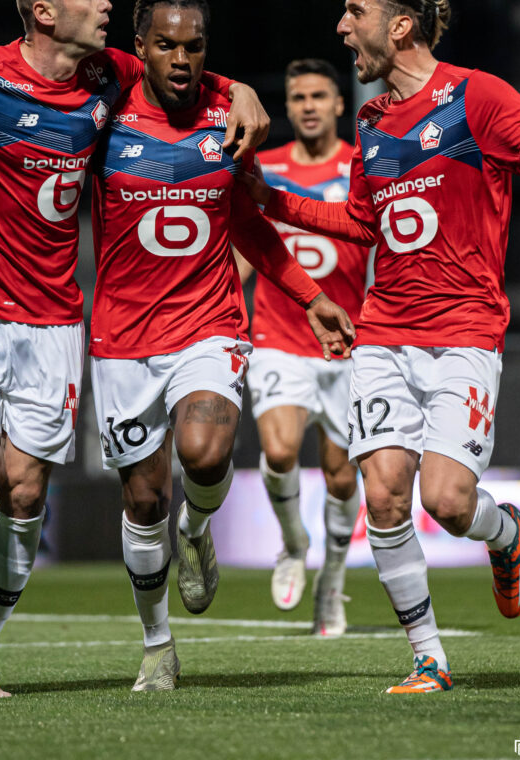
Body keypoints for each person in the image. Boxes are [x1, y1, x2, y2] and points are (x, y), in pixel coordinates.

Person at [240, 0, 520, 693]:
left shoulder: (476, 97)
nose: (341, 27)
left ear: (398, 25)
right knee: (384, 496)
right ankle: (427, 658)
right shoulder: (372, 124)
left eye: (353, 13)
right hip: (383, 335)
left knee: (447, 501)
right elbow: (361, 223)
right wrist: (270, 199)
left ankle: (504, 535)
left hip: (464, 333)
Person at [0, 0, 269, 699]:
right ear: (45, 14)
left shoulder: (104, 77)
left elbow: (193, 69)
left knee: (23, 496)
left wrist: (243, 89)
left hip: (50, 321)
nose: (105, 2)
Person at [86, 0, 354, 691]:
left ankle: (197, 532)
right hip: (121, 335)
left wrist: (311, 296)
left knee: (204, 454)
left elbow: (249, 224)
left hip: (207, 323)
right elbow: (35, 173)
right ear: (138, 48)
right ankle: (157, 645)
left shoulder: (230, 122)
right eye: (166, 44)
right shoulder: (103, 118)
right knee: (144, 501)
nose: (181, 57)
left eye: (194, 45)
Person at [234, 58, 370, 636]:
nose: (309, 105)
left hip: (350, 343)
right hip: (279, 335)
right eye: (298, 98)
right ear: (286, 108)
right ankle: (293, 543)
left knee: (342, 477)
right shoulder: (266, 167)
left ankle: (331, 586)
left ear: (340, 105)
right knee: (282, 449)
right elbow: (246, 246)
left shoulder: (363, 166)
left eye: (320, 95)